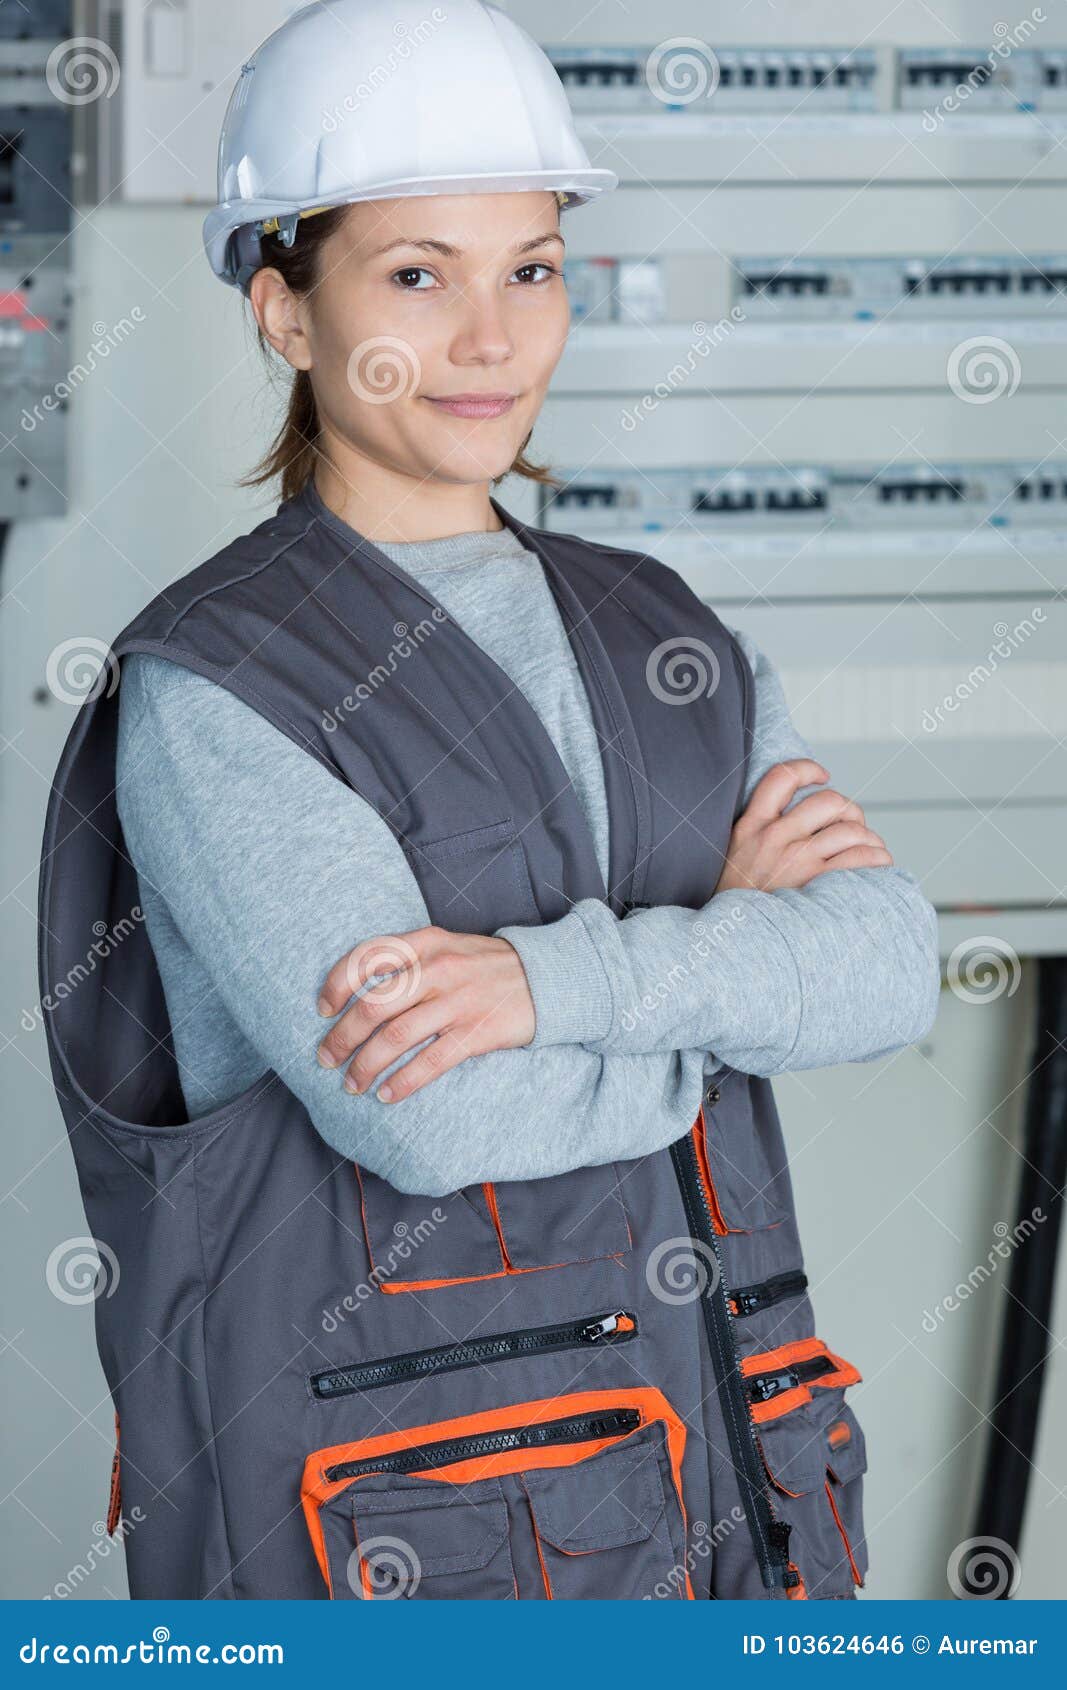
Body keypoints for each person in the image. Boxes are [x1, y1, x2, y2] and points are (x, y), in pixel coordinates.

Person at [39, 0, 940, 1601]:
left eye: (530, 268)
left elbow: (885, 967)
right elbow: (437, 1116)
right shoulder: (222, 686)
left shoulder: (664, 633)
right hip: (413, 1553)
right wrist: (740, 961)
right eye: (415, 275)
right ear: (284, 311)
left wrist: (544, 986)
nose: (490, 337)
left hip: (739, 1501)